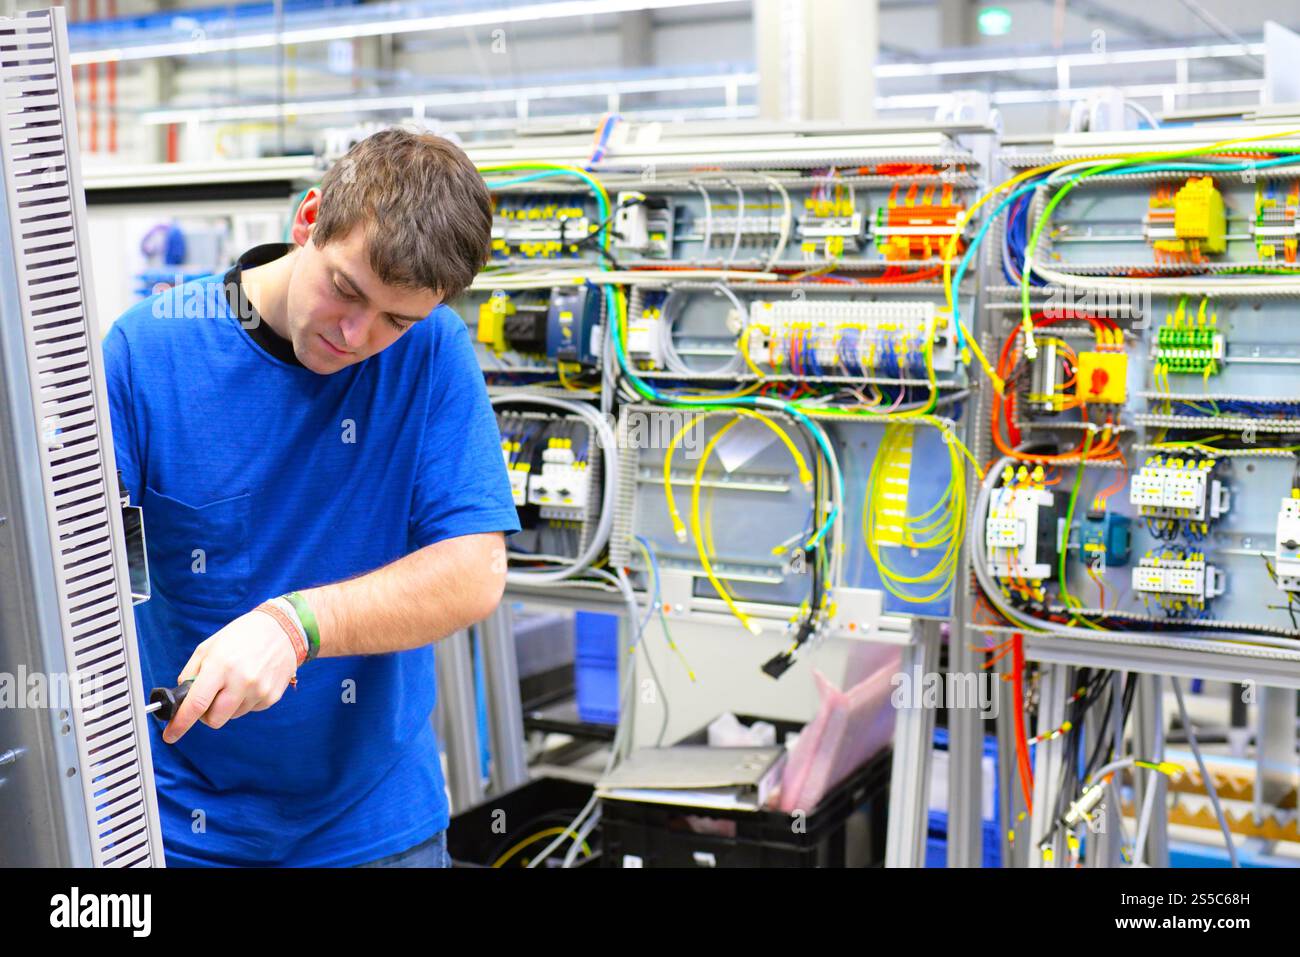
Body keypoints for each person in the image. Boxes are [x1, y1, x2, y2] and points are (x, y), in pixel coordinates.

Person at [103, 127, 520, 867]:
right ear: (309, 219)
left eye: (396, 319)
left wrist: (295, 625)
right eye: (345, 290)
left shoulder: (434, 353)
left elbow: (474, 570)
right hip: (183, 825)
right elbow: (78, 578)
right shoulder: (148, 353)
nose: (356, 336)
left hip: (375, 827)